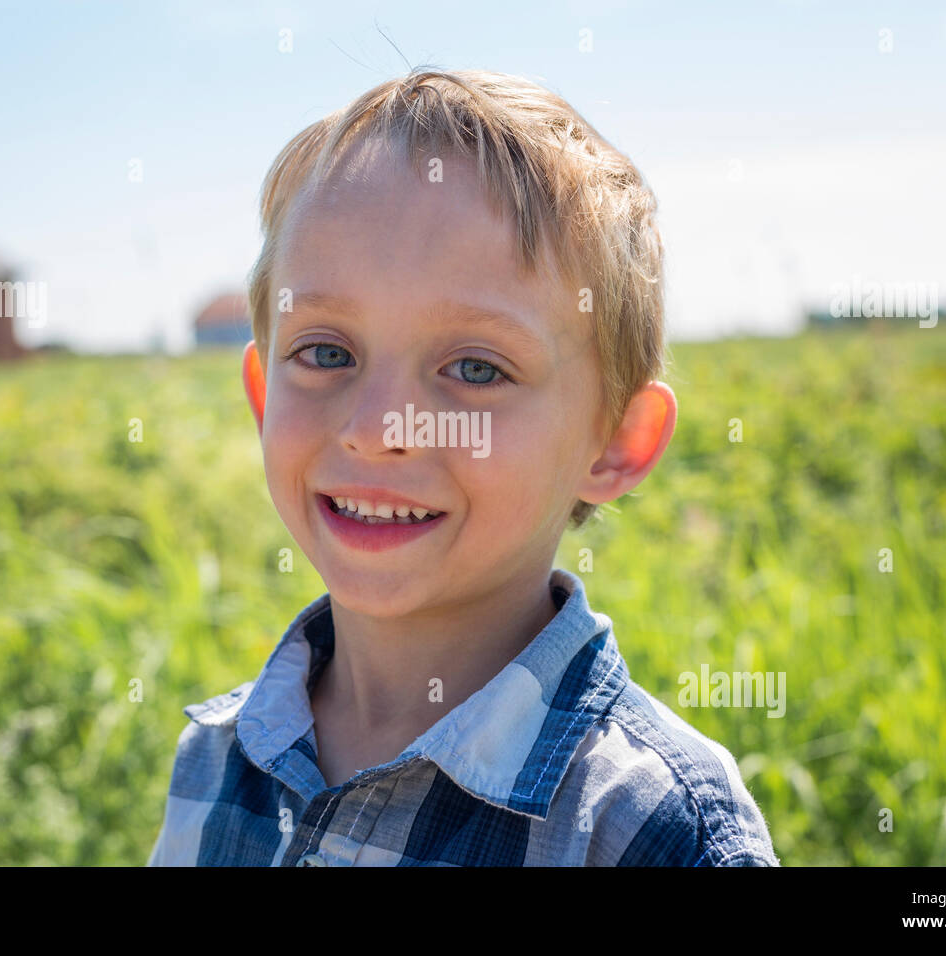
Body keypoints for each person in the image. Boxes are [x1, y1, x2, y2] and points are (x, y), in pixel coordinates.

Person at [148, 68, 779, 866]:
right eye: (326, 353)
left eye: (476, 369)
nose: (378, 430)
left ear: (616, 441)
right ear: (265, 393)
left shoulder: (652, 830)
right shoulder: (216, 757)